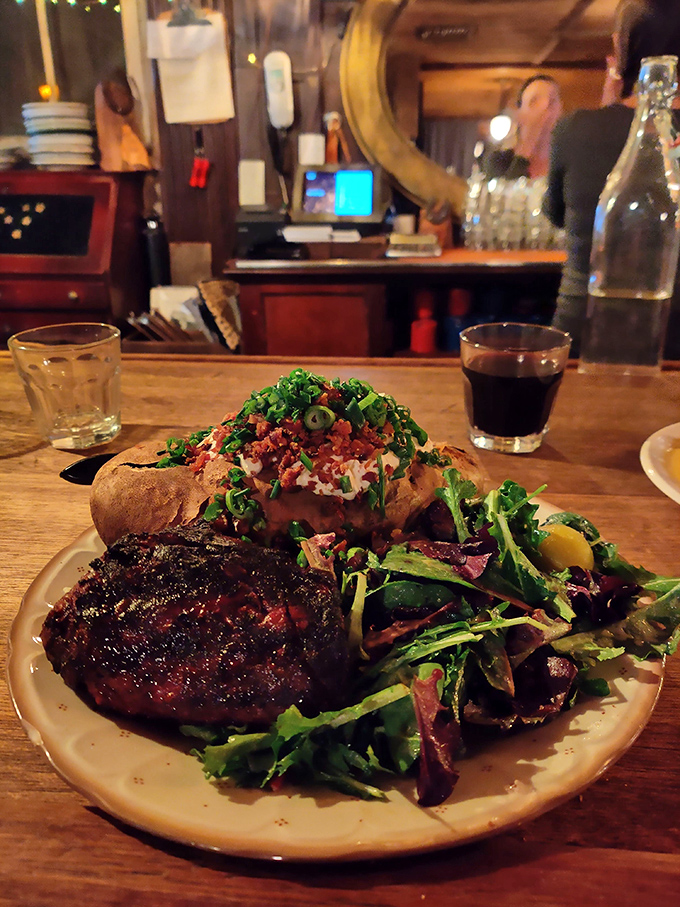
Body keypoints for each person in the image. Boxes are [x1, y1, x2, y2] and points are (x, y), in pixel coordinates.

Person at [543, 0, 680, 356]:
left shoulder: (574, 129)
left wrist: (609, 109)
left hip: (581, 337)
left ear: (621, 50)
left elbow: (556, 215)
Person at [483, 75, 563, 180]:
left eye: (552, 101)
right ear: (520, 114)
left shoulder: (570, 164)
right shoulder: (499, 161)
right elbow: (505, 192)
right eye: (534, 101)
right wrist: (529, 142)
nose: (545, 109)